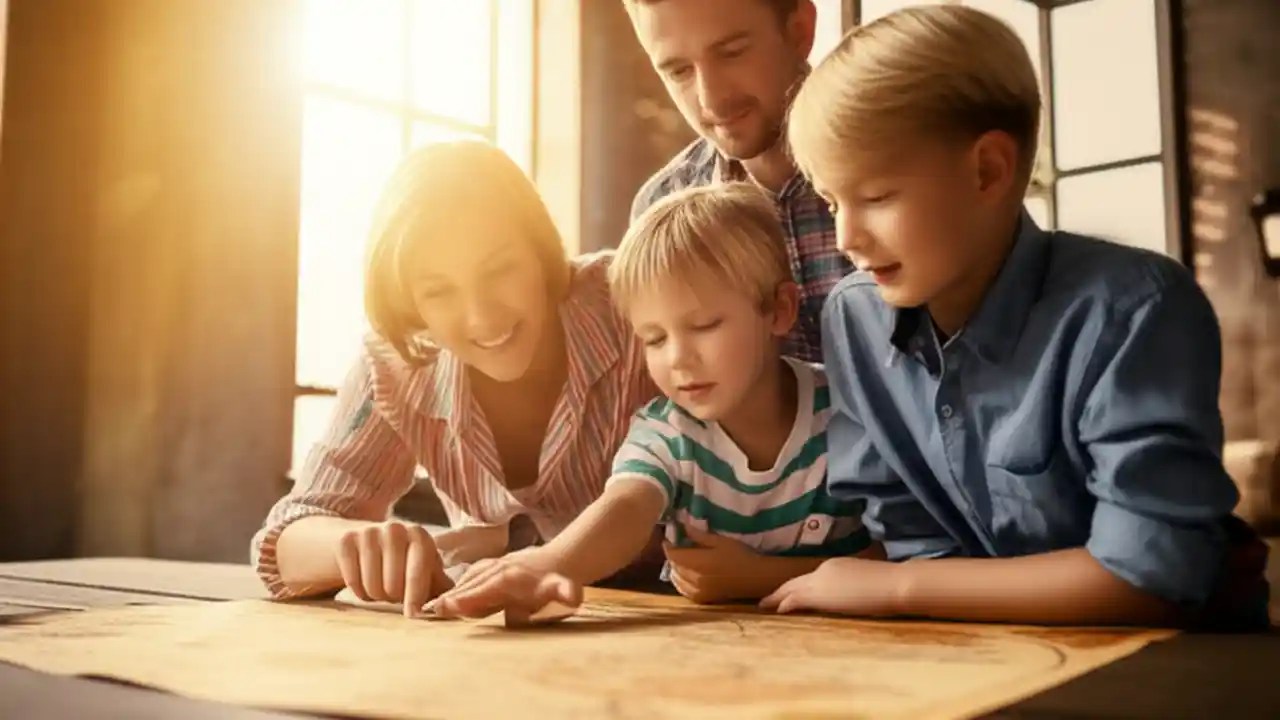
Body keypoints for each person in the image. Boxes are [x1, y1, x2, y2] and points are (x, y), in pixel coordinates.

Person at [761, 5, 1269, 629]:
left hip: (1184, 658)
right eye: (833, 200)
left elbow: (1151, 574)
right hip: (996, 649)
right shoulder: (855, 319)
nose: (847, 238)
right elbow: (907, 528)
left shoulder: (1134, 308)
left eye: (876, 197)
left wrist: (902, 588)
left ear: (988, 170)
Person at [430, 184, 874, 623]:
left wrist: (761, 577)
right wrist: (548, 565)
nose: (678, 358)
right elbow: (626, 507)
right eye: (654, 339)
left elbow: (903, 550)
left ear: (779, 310)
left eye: (703, 325)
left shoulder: (852, 409)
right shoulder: (666, 434)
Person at [252, 141, 657, 616]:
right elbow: (283, 543)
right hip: (493, 641)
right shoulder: (399, 363)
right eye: (438, 291)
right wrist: (358, 543)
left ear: (539, 250)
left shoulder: (635, 301)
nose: (482, 318)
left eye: (500, 270)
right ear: (410, 300)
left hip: (689, 625)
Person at [625, 0, 852, 363]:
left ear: (799, 31)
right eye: (679, 71)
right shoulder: (662, 208)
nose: (711, 98)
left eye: (732, 53)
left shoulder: (901, 163)